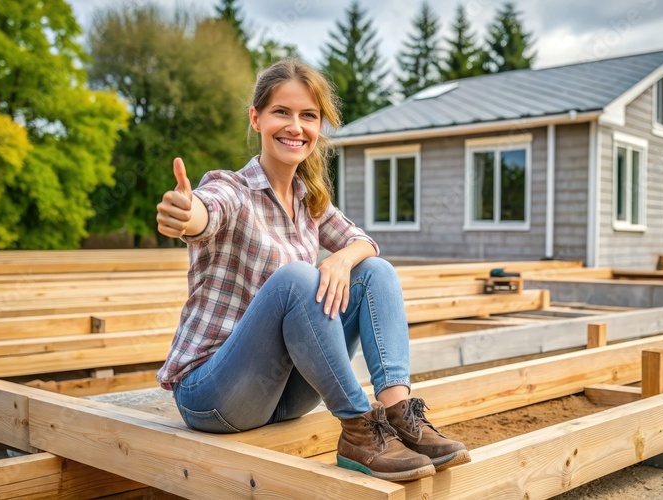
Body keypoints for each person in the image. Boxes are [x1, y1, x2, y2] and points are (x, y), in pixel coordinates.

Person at [154, 58, 469, 482]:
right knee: (298, 278)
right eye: (281, 112)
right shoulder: (233, 188)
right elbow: (206, 211)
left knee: (375, 271)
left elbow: (365, 242)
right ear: (257, 118)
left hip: (282, 395)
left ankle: (399, 414)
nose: (295, 126)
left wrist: (340, 257)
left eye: (308, 116)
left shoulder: (309, 200)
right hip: (213, 393)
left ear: (319, 126)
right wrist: (186, 213)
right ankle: (359, 429)